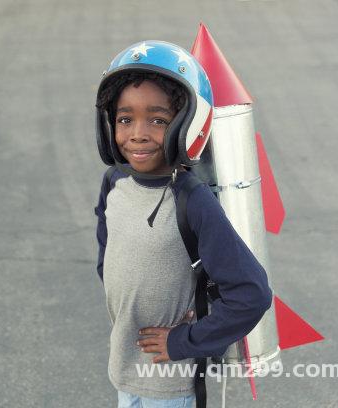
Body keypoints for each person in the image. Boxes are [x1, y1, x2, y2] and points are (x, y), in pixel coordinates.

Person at [93, 41, 273, 408]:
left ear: (188, 124)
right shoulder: (115, 182)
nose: (137, 133)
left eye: (158, 120)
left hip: (171, 383)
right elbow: (108, 257)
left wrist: (186, 340)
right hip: (125, 367)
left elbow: (251, 294)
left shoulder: (193, 200)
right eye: (125, 119)